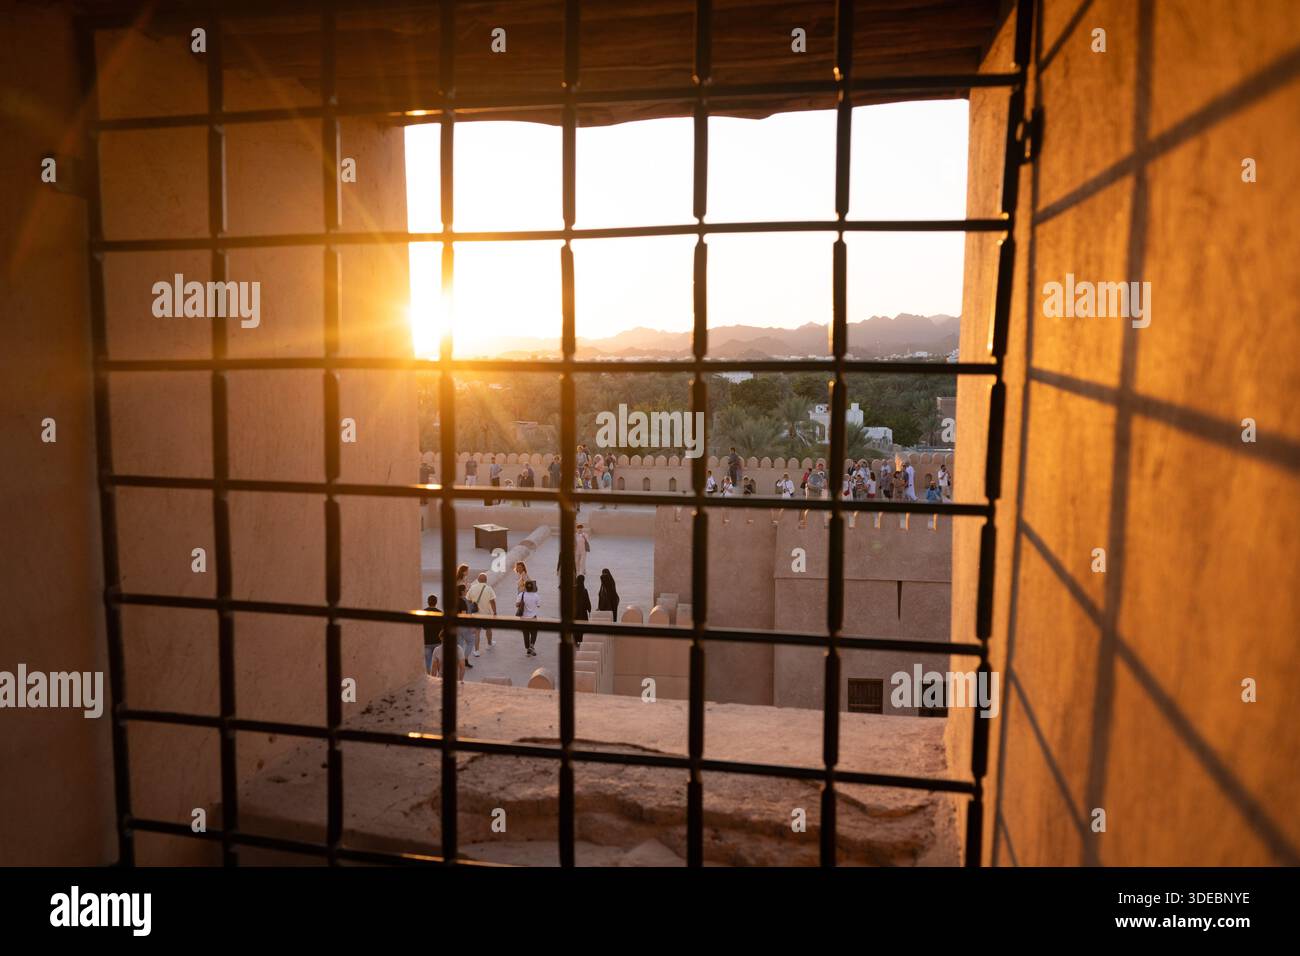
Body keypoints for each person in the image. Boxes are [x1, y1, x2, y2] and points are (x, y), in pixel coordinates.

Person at [467, 572, 497, 651]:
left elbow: (468, 600)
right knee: (488, 629)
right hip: (486, 614)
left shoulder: (472, 588)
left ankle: (476, 651)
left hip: (475, 614)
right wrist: (495, 612)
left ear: (477, 580)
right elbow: (492, 601)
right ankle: (489, 644)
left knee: (477, 632)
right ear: (486, 580)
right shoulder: (489, 588)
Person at [518, 579, 542, 656]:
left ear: (525, 587)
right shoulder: (536, 596)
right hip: (533, 618)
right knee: (534, 632)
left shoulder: (521, 595)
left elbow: (516, 605)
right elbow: (538, 605)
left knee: (526, 634)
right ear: (533, 587)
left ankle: (528, 649)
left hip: (523, 618)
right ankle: (532, 646)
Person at [456, 584, 475, 669]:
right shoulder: (463, 601)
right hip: (463, 626)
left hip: (455, 625)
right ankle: (465, 659)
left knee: (460, 645)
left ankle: (459, 661)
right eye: (465, 589)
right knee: (471, 641)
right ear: (462, 591)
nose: (467, 590)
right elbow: (464, 615)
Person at [422, 594, 440, 674]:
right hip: (437, 641)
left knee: (428, 661)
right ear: (436, 602)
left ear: (428, 602)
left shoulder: (422, 613)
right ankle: (438, 676)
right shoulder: (440, 613)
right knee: (438, 660)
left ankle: (429, 677)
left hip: (426, 642)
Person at [574, 573, 592, 649]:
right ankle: (579, 641)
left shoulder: (573, 589)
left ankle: (575, 641)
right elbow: (587, 601)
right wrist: (589, 609)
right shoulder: (584, 590)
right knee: (581, 627)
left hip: (574, 613)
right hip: (582, 613)